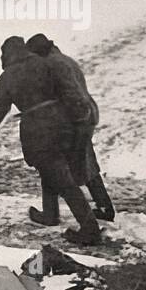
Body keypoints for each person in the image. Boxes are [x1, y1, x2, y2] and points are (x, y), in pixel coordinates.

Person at [0, 37, 102, 245]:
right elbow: (70, 91)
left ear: (7, 55)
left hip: (38, 132)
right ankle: (50, 214)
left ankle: (90, 230)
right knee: (51, 171)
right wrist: (77, 120)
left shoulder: (8, 76)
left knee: (62, 180)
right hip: (64, 125)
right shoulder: (48, 64)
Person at [26, 34, 114, 222]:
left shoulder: (54, 65)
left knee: (51, 165)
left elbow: (72, 96)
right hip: (85, 116)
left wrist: (73, 123)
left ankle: (50, 214)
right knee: (86, 164)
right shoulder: (65, 60)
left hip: (77, 120)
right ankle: (105, 207)